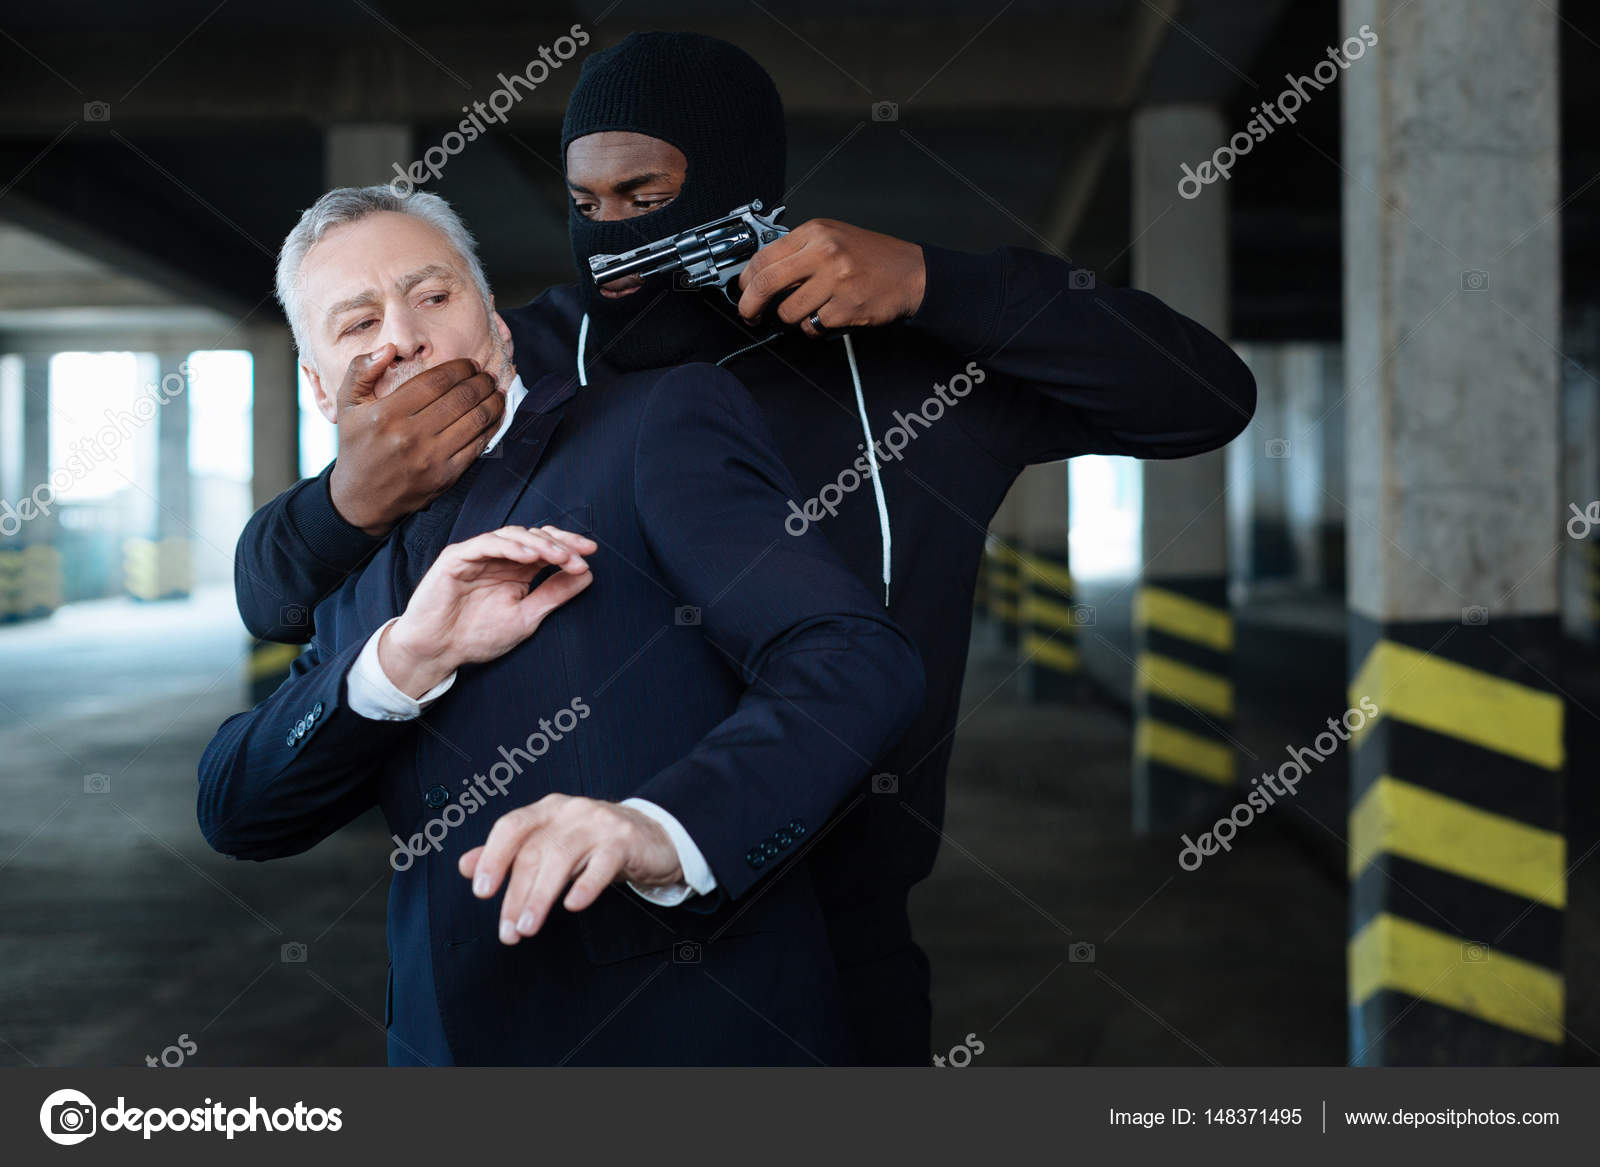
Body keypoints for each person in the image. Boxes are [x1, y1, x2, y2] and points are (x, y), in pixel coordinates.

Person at [233, 32, 1257, 1065]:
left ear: (734, 185)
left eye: (643, 196)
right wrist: (347, 499)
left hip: (850, 931)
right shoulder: (521, 358)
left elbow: (1203, 396)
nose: (612, 238)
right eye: (585, 206)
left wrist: (938, 285)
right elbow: (274, 600)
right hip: (573, 952)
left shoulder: (919, 372)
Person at [199, 186, 925, 1066]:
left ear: (497, 328)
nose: (402, 336)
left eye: (433, 296)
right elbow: (236, 810)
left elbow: (851, 658)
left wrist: (662, 829)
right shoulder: (348, 560)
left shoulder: (652, 426)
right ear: (319, 386)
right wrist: (402, 657)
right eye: (357, 324)